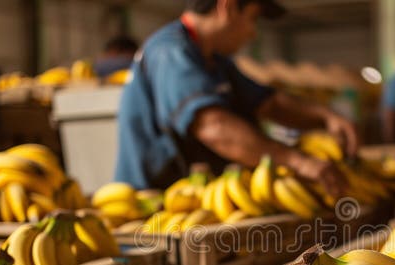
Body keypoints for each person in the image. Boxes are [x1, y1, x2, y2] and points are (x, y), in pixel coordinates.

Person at [115, 0, 357, 196]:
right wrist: (299, 162)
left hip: (196, 197)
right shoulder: (171, 52)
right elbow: (213, 126)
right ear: (228, 7)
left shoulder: (214, 60)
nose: (253, 34)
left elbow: (269, 103)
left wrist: (325, 117)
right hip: (154, 210)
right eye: (253, 19)